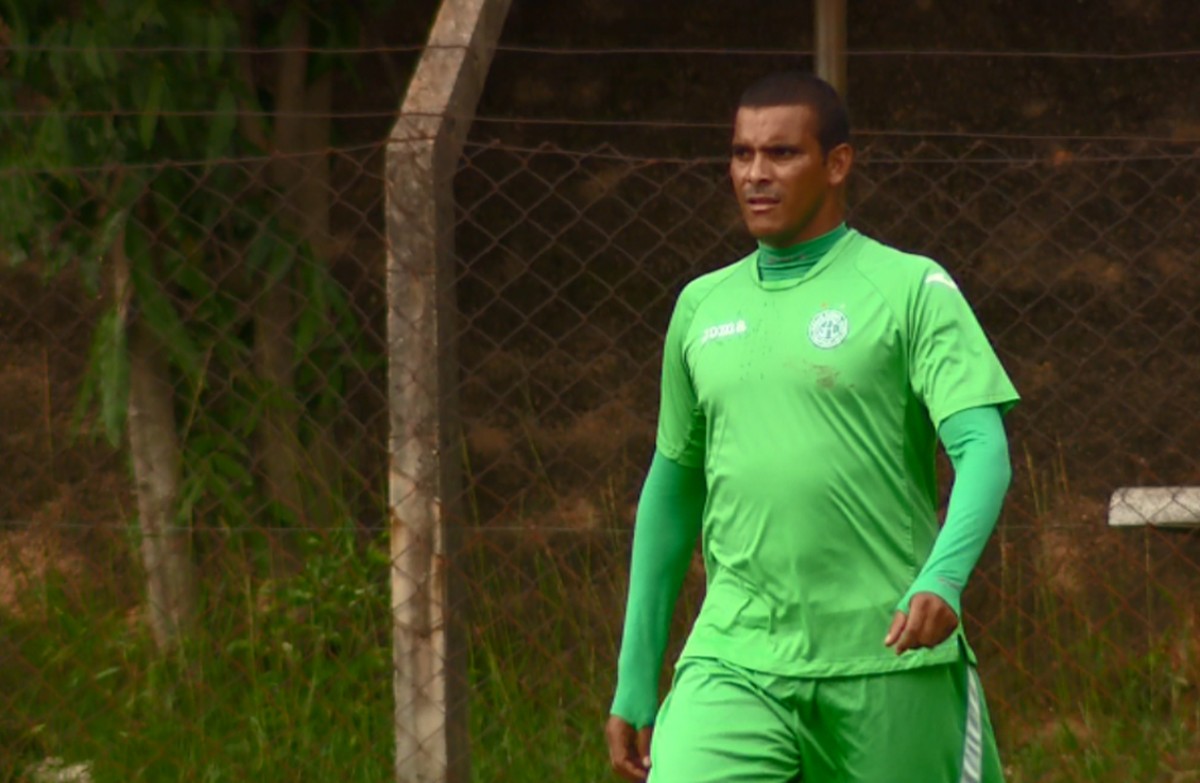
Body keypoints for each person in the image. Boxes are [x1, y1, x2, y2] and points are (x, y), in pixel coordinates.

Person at [605, 71, 1019, 783]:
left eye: (781, 154)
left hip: (885, 655)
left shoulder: (910, 288)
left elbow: (982, 449)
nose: (755, 175)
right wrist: (636, 676)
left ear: (837, 164)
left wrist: (943, 580)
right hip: (735, 658)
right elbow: (672, 488)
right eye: (741, 155)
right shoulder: (701, 307)